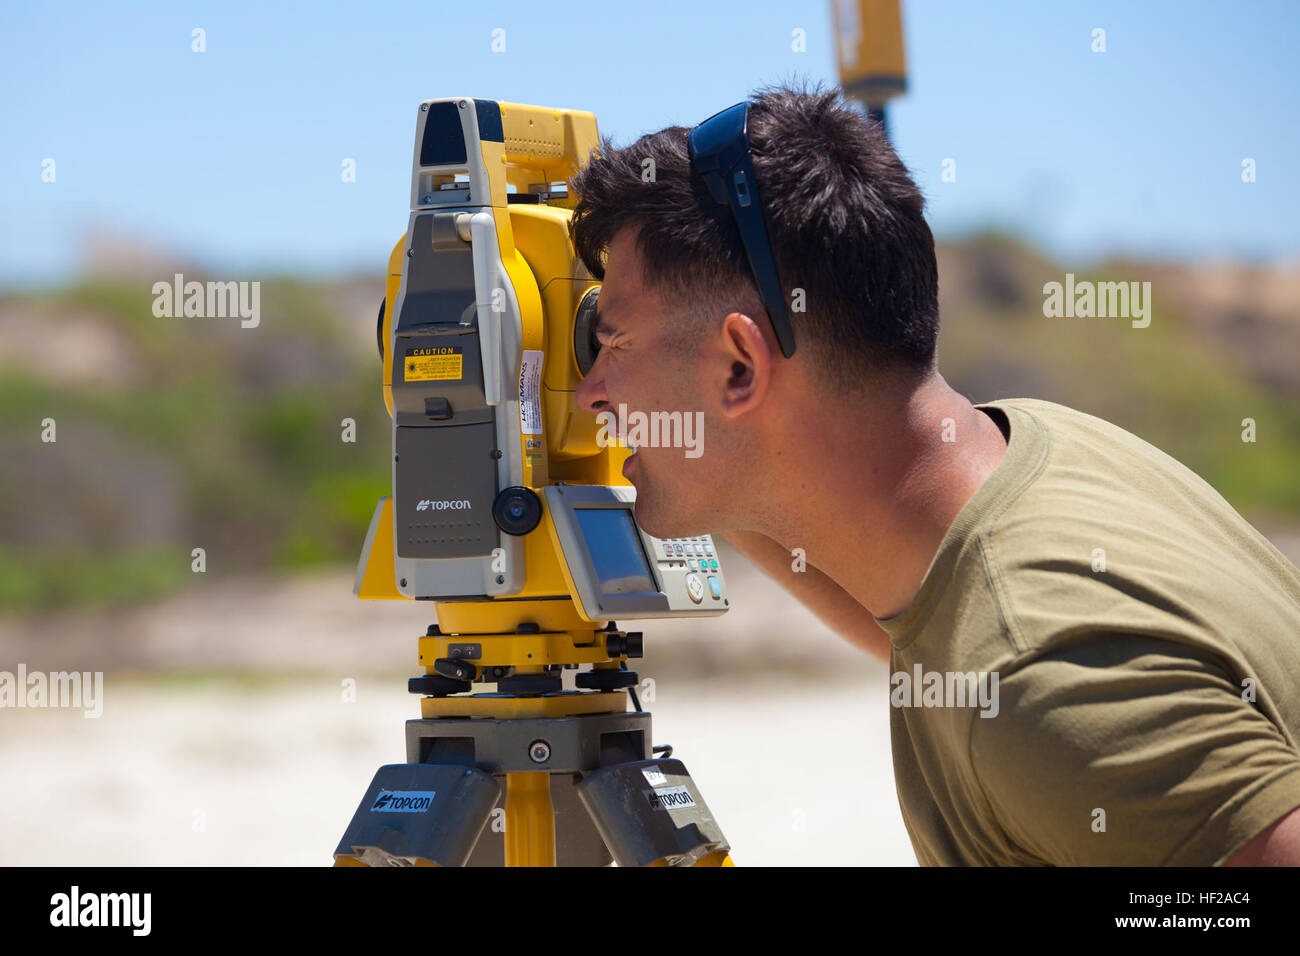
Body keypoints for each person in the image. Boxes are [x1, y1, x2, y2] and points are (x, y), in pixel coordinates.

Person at [567, 82, 1300, 866]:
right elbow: (934, 638)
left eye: (616, 344)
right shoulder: (1036, 460)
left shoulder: (1039, 677)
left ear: (740, 365)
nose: (590, 392)